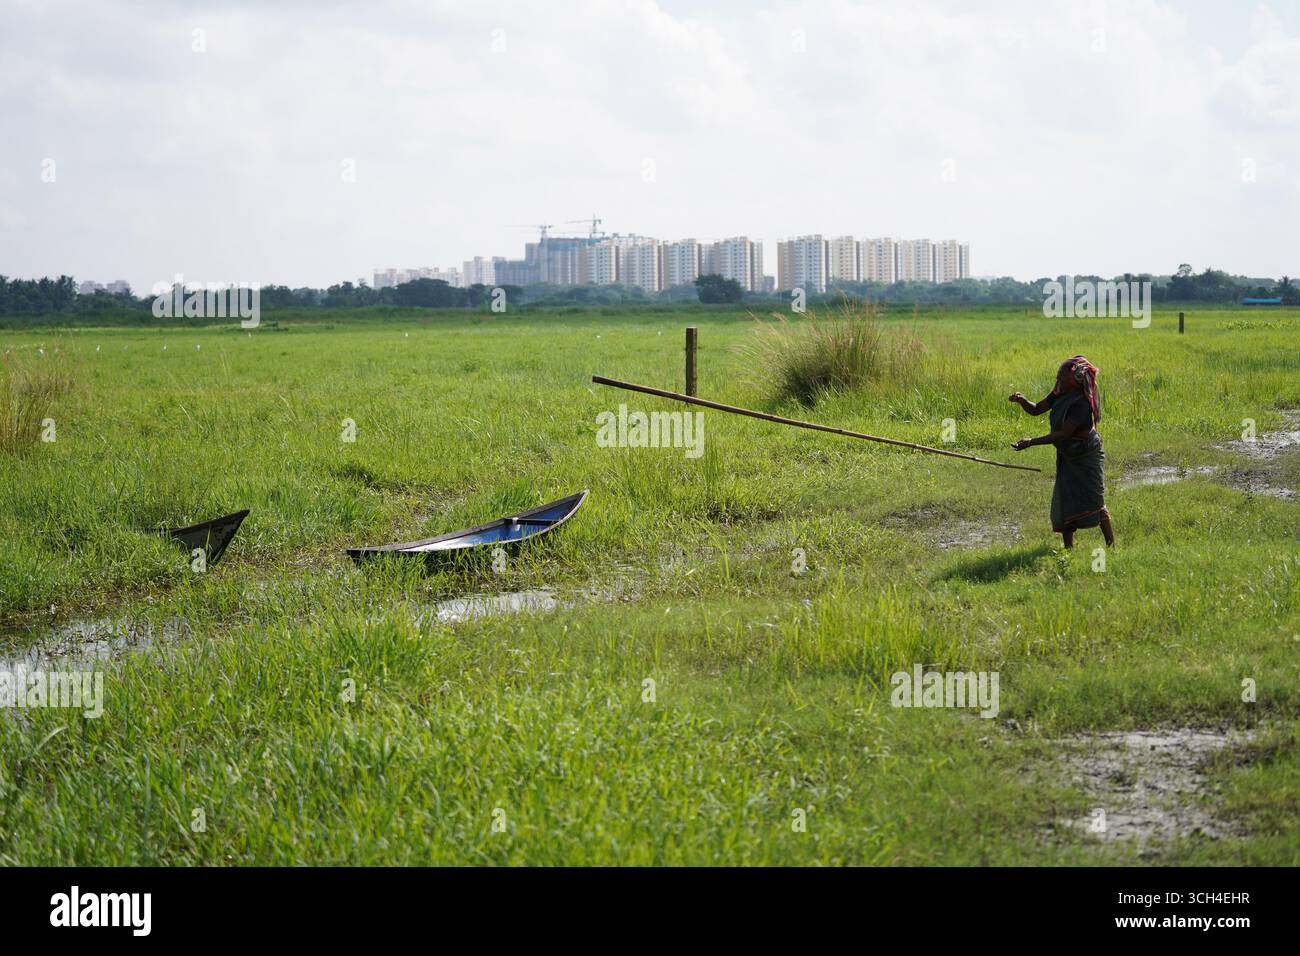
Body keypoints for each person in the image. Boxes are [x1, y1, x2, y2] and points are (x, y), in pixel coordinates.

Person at [1009, 355, 1114, 549]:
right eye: (1058, 376)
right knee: (1066, 502)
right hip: (1068, 455)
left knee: (1095, 501)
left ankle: (1111, 546)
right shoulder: (1059, 393)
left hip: (1086, 456)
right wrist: (1022, 400)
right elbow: (1037, 409)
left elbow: (1064, 434)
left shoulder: (1081, 404)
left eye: (1062, 377)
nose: (1058, 380)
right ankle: (1068, 550)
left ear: (1074, 381)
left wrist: (1031, 442)